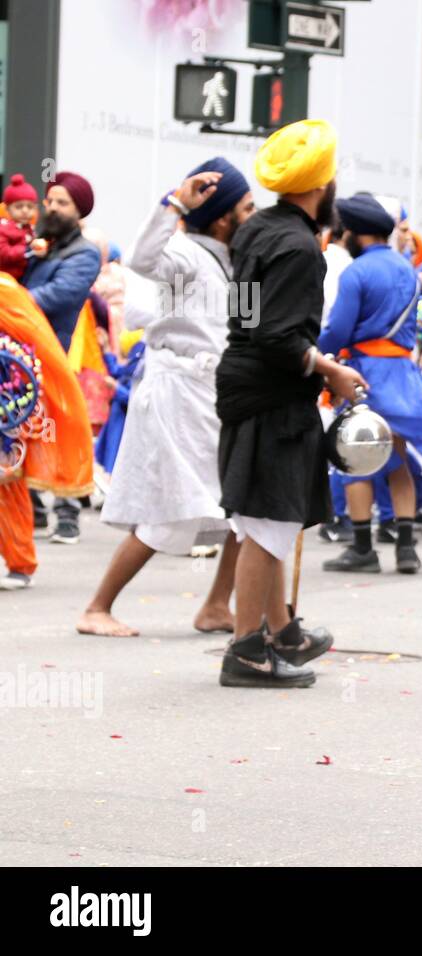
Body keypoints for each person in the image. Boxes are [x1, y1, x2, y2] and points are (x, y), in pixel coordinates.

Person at [75, 159, 257, 638]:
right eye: (247, 206)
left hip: (219, 393)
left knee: (244, 504)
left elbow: (248, 329)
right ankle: (97, 607)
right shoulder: (181, 255)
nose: (254, 215)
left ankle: (217, 604)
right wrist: (175, 203)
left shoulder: (238, 264)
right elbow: (140, 260)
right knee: (169, 507)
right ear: (222, 216)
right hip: (177, 391)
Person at [215, 119, 364, 689]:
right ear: (323, 185)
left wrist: (304, 358)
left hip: (244, 384)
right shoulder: (302, 248)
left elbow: (250, 322)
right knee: (268, 523)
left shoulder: (254, 230)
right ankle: (247, 650)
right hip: (274, 398)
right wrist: (331, 369)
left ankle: (279, 633)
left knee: (264, 520)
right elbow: (279, 338)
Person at [318, 192, 422, 574]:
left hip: (366, 374)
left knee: (357, 459)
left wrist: (313, 352)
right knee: (397, 460)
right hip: (403, 375)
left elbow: (339, 330)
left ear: (355, 233)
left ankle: (363, 548)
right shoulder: (406, 270)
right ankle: (406, 549)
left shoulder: (357, 273)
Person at [22, 170, 101, 545]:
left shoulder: (84, 253)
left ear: (79, 211)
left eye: (61, 202)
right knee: (23, 431)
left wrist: (11, 299)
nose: (51, 206)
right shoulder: (41, 244)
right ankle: (33, 508)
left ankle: (67, 515)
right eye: (49, 200)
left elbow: (60, 295)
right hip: (23, 352)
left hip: (58, 354)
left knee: (59, 433)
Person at [0, 273, 94, 589]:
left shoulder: (6, 290)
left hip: (5, 401)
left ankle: (20, 563)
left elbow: (35, 345)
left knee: (6, 482)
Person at [1, 174, 39, 281]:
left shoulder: (29, 229)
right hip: (5, 280)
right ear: (8, 209)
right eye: (19, 206)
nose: (25, 211)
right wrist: (27, 249)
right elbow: (3, 253)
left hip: (20, 279)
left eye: (30, 206)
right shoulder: (3, 229)